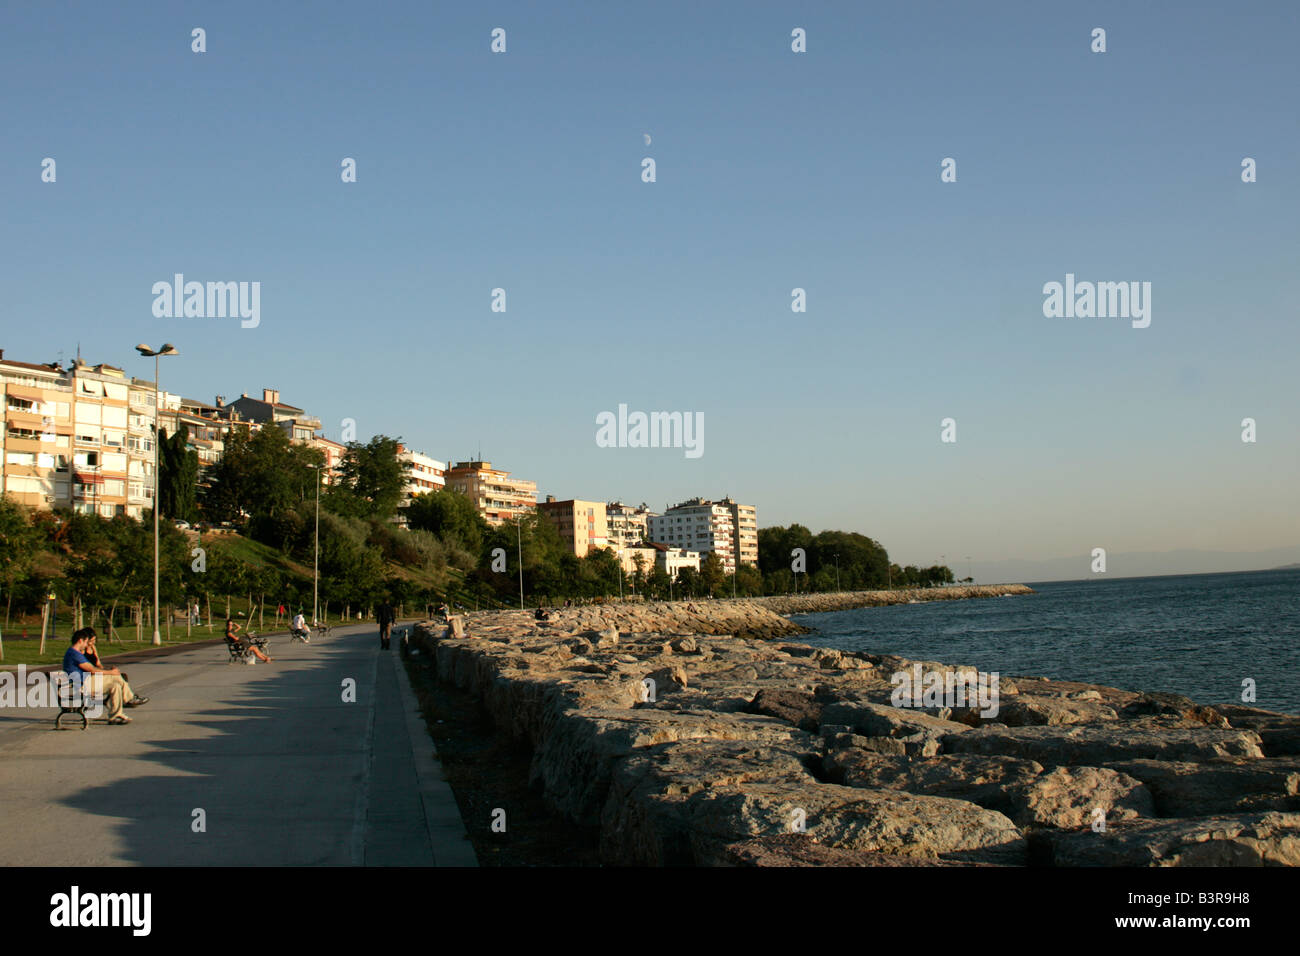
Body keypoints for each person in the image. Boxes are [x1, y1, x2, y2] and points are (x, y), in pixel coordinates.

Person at [63, 627, 147, 724]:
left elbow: (94, 667)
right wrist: (111, 672)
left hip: (87, 681)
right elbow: (92, 669)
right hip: (83, 685)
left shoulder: (74, 653)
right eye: (86, 642)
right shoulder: (74, 654)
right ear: (80, 640)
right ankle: (129, 699)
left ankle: (116, 715)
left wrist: (110, 672)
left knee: (115, 685)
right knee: (115, 676)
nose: (86, 645)